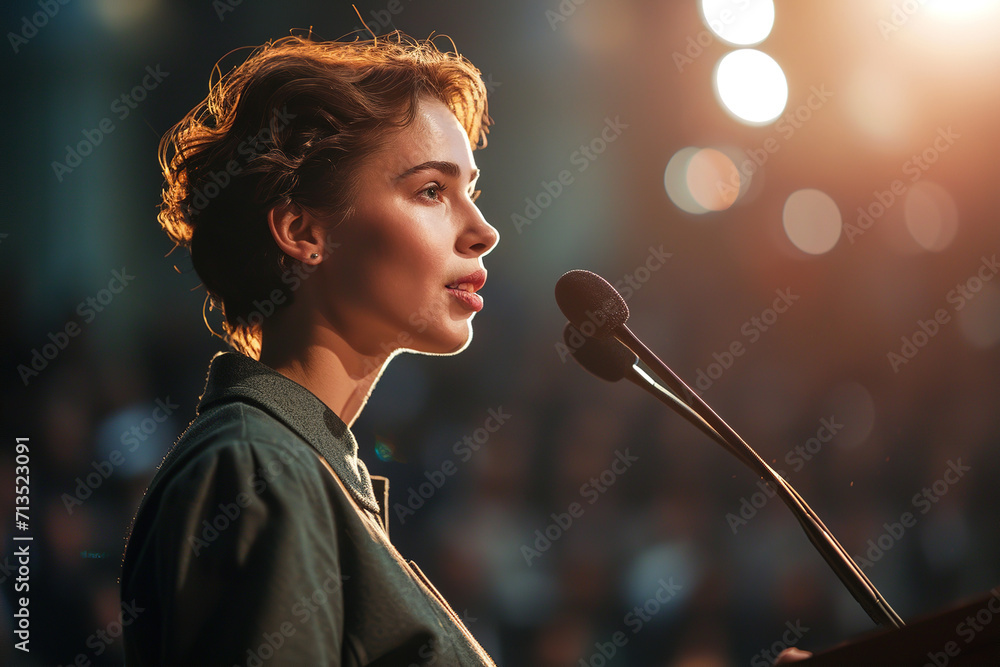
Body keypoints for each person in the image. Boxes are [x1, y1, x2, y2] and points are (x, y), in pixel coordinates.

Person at [120, 30, 499, 665]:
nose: (483, 231)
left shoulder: (293, 463)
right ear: (302, 231)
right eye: (432, 190)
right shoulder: (258, 468)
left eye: (472, 192)